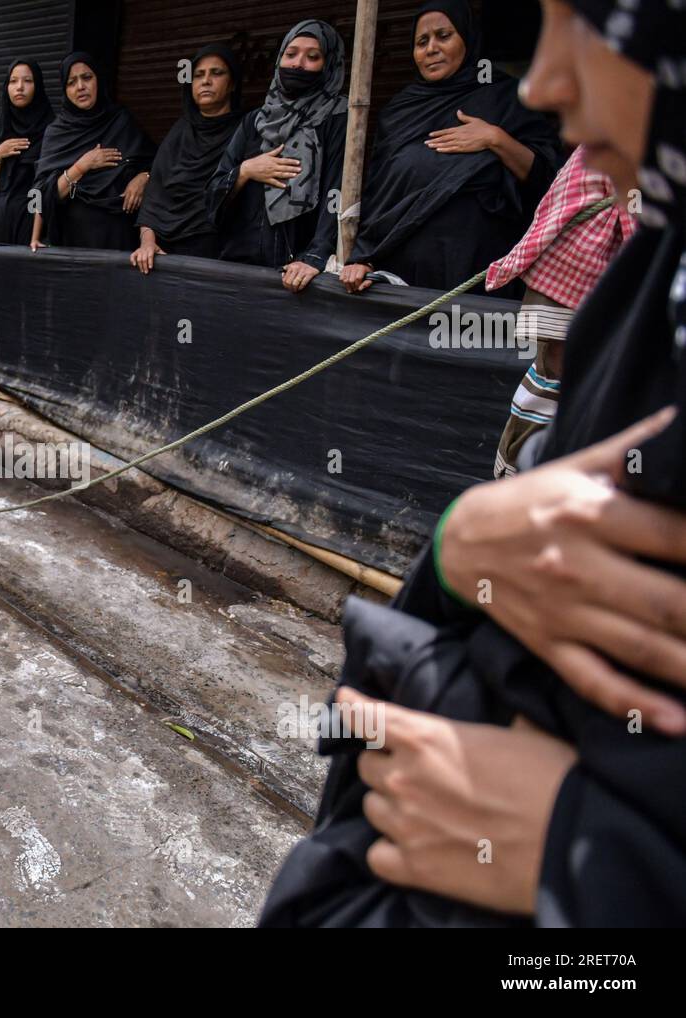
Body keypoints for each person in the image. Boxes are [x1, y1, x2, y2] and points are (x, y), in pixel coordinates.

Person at [261, 0, 686, 927]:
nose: (540, 86)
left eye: (594, 23)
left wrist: (590, 867)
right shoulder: (657, 274)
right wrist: (460, 548)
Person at [340, 1, 562, 296]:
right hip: (405, 274)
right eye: (422, 42)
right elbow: (380, 193)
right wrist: (363, 256)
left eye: (443, 36)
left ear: (468, 40)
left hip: (481, 273)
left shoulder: (507, 99)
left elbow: (548, 179)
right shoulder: (399, 111)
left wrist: (495, 138)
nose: (431, 48)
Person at [486, 146, 635, 477]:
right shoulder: (631, 139)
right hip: (581, 272)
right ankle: (525, 478)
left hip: (573, 272)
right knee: (561, 380)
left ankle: (519, 476)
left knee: (556, 379)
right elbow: (641, 228)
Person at [206, 23, 348, 292]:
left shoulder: (339, 117)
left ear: (329, 64)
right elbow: (212, 193)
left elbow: (338, 191)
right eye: (291, 54)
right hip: (238, 266)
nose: (297, 64)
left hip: (297, 274)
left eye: (313, 57)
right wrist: (246, 170)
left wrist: (316, 256)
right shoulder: (255, 120)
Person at [132, 43, 242, 273]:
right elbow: (154, 197)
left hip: (221, 257)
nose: (206, 81)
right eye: (198, 75)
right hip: (164, 256)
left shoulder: (246, 132)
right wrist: (147, 241)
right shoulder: (179, 133)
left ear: (232, 83)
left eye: (217, 73)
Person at [33, 52, 154, 251]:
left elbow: (157, 163)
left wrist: (143, 177)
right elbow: (41, 194)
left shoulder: (121, 121)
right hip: (73, 243)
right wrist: (82, 166)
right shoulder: (57, 133)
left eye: (87, 77)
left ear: (99, 80)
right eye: (71, 82)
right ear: (65, 90)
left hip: (120, 239)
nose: (80, 87)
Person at [0, 58, 53, 247]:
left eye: (28, 81)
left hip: (32, 217)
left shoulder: (50, 129)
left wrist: (35, 233)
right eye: (13, 81)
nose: (20, 87)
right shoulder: (3, 128)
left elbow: (44, 185)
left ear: (38, 86)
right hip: (3, 216)